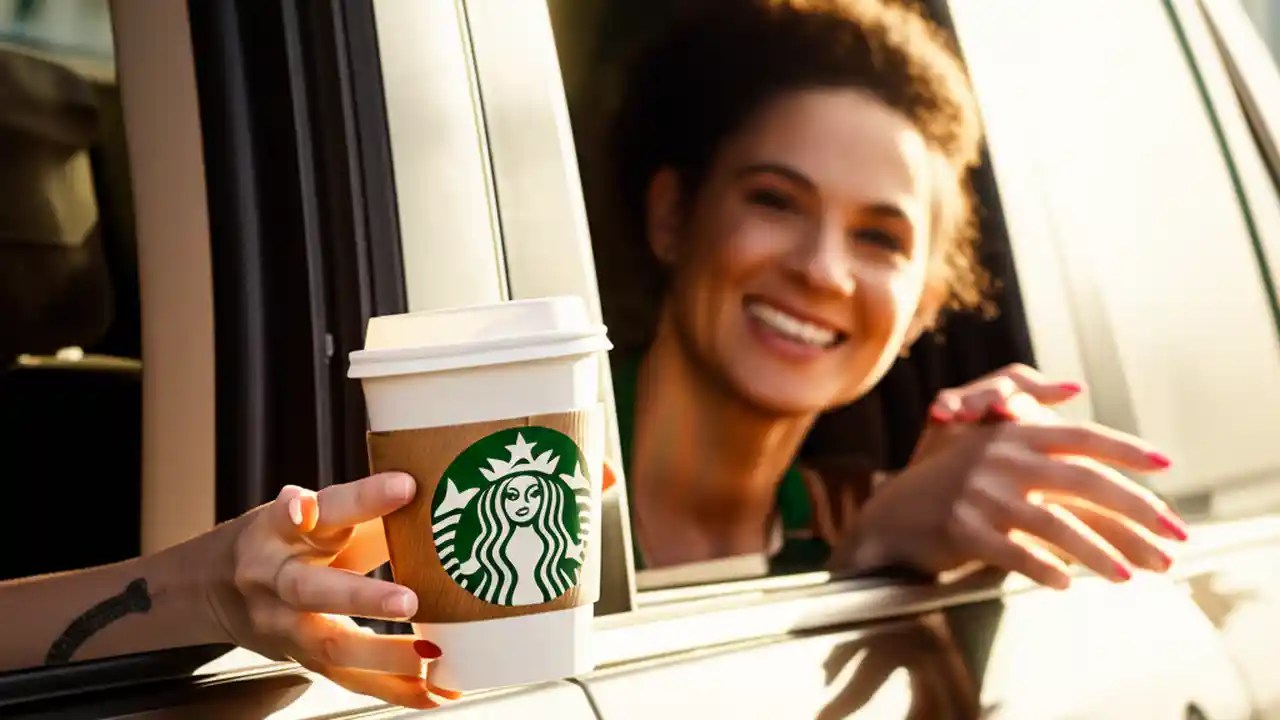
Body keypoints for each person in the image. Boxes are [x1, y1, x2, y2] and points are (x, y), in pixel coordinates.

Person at [604, 0, 1188, 587]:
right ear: (674, 216)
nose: (823, 271)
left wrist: (878, 554)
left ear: (925, 306)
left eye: (879, 238)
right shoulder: (531, 478)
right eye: (775, 200)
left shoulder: (896, 525)